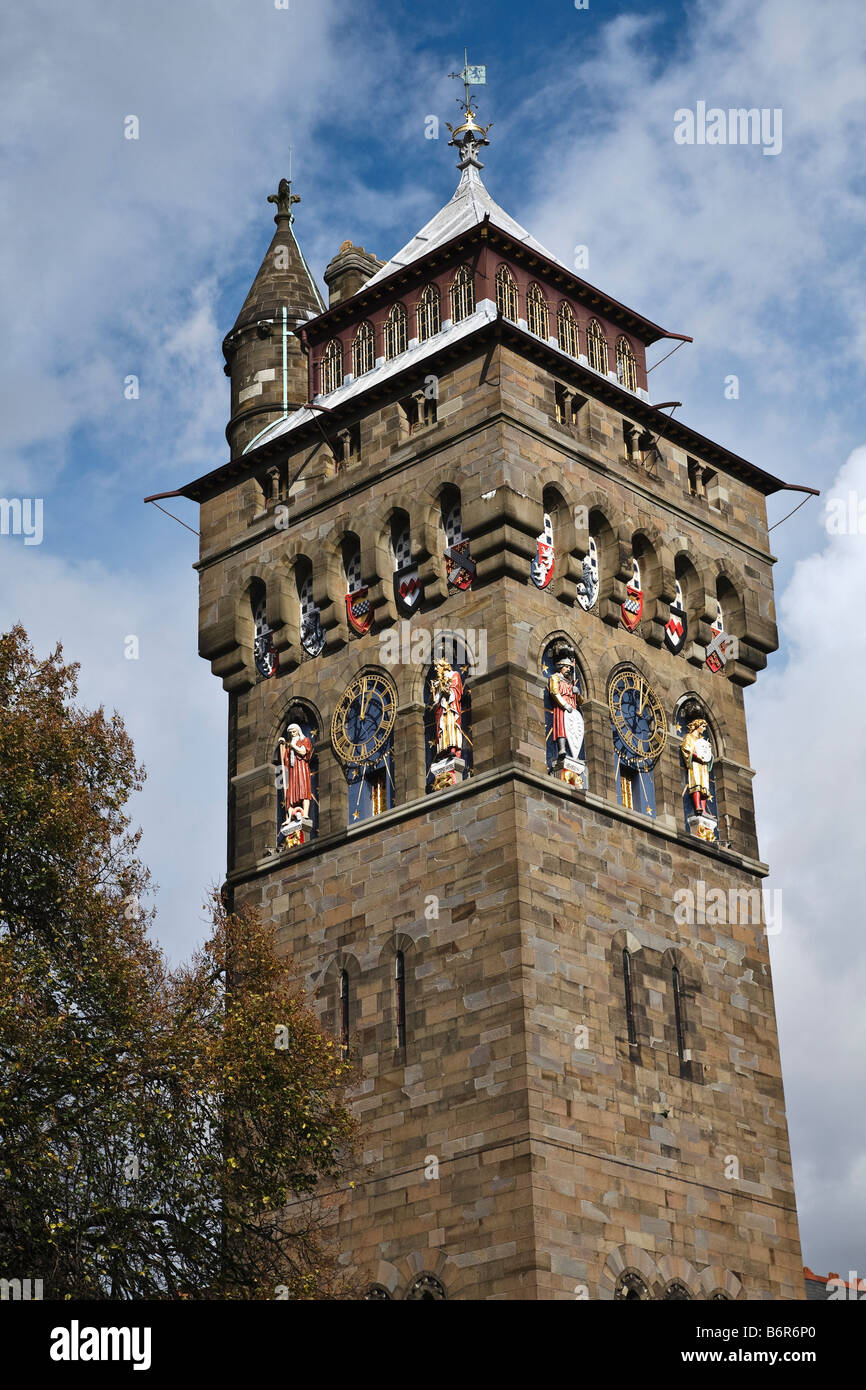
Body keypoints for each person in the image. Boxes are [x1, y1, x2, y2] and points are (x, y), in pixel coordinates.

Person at [548, 656, 583, 761]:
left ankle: (574, 752)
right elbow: (554, 692)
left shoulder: (570, 683)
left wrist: (578, 693)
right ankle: (562, 749)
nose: (568, 669)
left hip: (572, 707)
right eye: (566, 667)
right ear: (561, 667)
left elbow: (580, 702)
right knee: (562, 726)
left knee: (574, 729)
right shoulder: (555, 677)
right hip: (562, 706)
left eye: (569, 667)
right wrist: (564, 704)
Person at [279, 723, 313, 822]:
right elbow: (286, 760)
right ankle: (289, 817)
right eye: (291, 732)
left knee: (304, 790)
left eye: (294, 731)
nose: (293, 734)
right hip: (292, 771)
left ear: (298, 731)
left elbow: (303, 752)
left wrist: (293, 746)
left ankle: (305, 813)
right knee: (290, 794)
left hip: (301, 768)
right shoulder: (290, 745)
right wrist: (284, 746)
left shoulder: (304, 740)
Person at [429, 658, 463, 758]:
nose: (435, 669)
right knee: (442, 728)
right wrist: (435, 693)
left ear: (443, 665)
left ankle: (452, 748)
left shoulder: (454, 674)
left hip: (450, 707)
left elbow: (456, 690)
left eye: (437, 666)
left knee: (450, 725)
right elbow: (435, 700)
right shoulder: (437, 681)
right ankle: (444, 751)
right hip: (442, 708)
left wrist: (447, 691)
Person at [680, 718, 713, 815]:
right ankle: (697, 806)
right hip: (695, 764)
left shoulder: (701, 741)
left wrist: (708, 752)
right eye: (703, 726)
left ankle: (704, 809)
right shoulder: (689, 737)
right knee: (697, 784)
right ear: (697, 726)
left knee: (704, 786)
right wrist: (696, 756)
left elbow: (707, 754)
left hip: (703, 765)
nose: (704, 729)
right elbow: (686, 748)